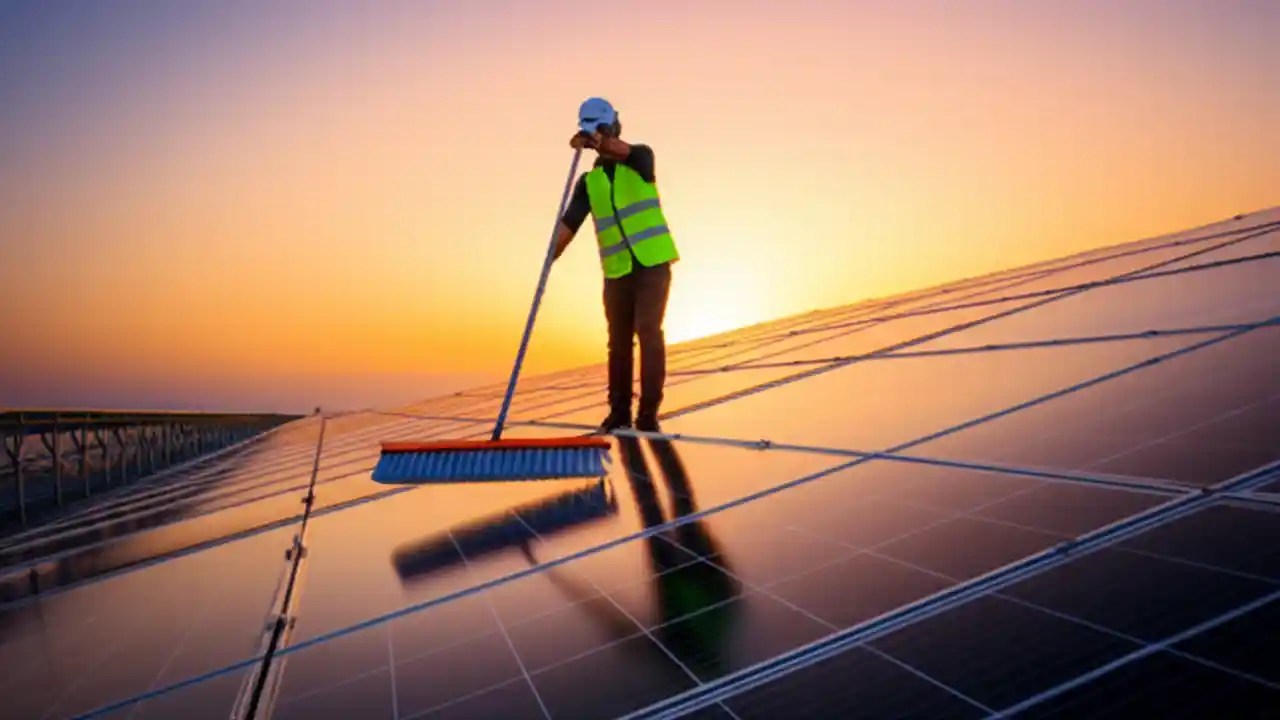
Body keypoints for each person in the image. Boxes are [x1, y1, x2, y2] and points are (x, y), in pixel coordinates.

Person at [552, 97, 680, 433]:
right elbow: (568, 225)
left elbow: (619, 150)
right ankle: (619, 412)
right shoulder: (588, 183)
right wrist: (548, 257)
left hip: (652, 264)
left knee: (648, 331)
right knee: (618, 341)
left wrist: (596, 139)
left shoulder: (640, 157)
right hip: (617, 271)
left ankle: (648, 414)